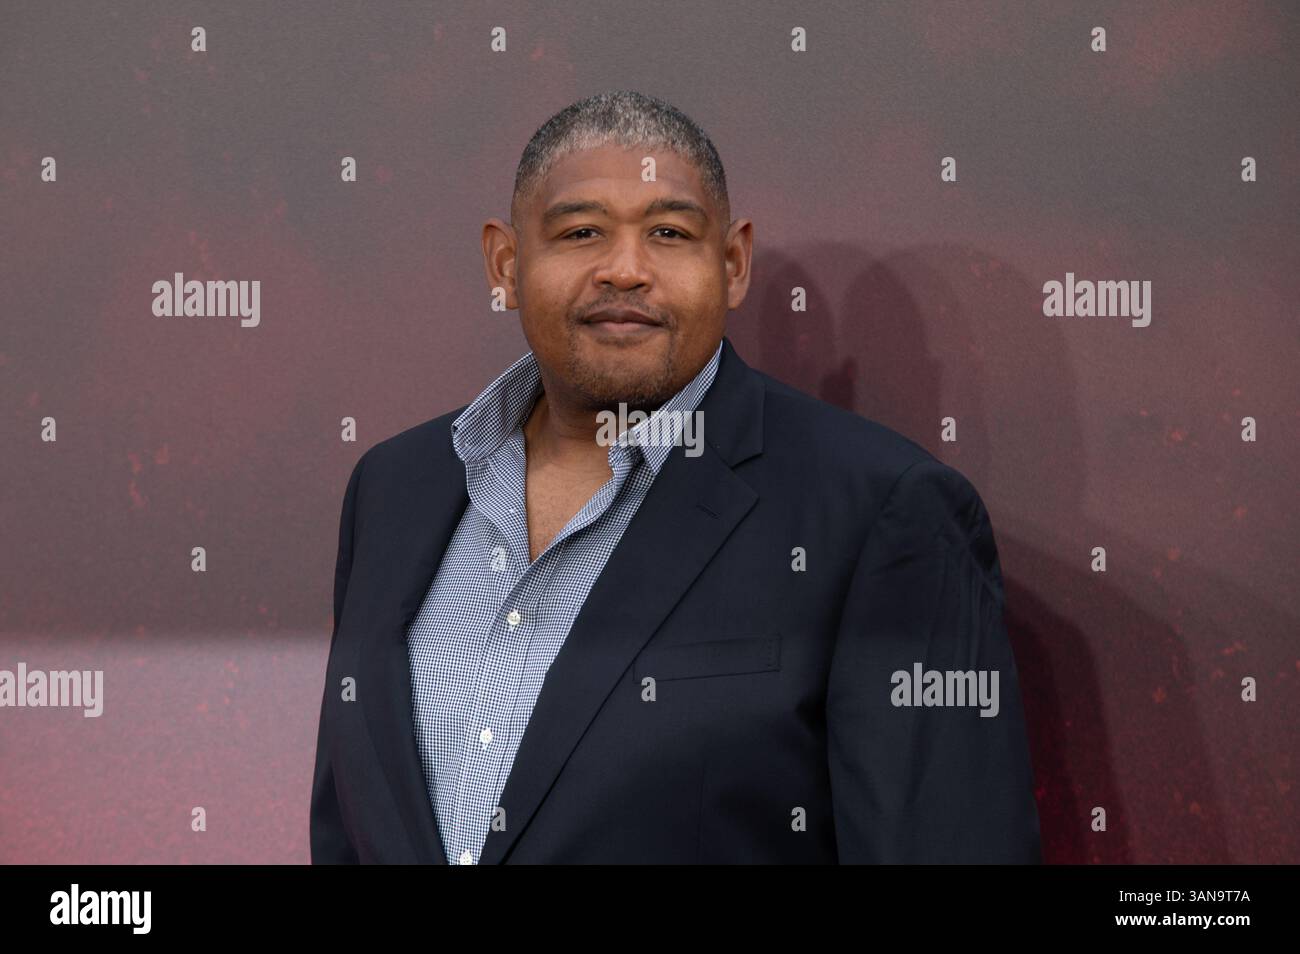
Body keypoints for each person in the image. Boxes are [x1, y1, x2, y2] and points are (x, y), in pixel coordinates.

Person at [310, 89, 1042, 864]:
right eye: (581, 231)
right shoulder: (392, 489)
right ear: (506, 262)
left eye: (668, 233)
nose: (625, 270)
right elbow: (350, 826)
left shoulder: (882, 514)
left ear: (731, 264)